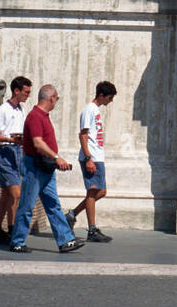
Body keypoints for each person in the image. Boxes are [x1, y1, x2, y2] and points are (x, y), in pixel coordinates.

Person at [8, 85, 84, 254]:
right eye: (56, 98)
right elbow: (38, 142)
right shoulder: (35, 116)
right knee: (27, 205)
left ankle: (65, 240)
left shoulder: (42, 116)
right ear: (51, 98)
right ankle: (17, 241)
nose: (57, 101)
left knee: (53, 204)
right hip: (35, 167)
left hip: (45, 167)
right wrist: (57, 158)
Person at [67, 81, 117, 242]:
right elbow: (83, 134)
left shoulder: (95, 110)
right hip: (91, 157)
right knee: (93, 191)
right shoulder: (89, 110)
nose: (111, 101)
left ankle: (71, 215)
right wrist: (88, 158)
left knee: (101, 192)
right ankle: (92, 230)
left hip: (97, 157)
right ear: (101, 95)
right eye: (110, 97)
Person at [0, 75, 32, 244]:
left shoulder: (20, 109)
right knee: (16, 194)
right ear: (16, 90)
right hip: (7, 152)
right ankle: (13, 229)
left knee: (6, 194)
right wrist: (11, 139)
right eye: (26, 92)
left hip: (18, 151)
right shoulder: (3, 109)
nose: (28, 95)